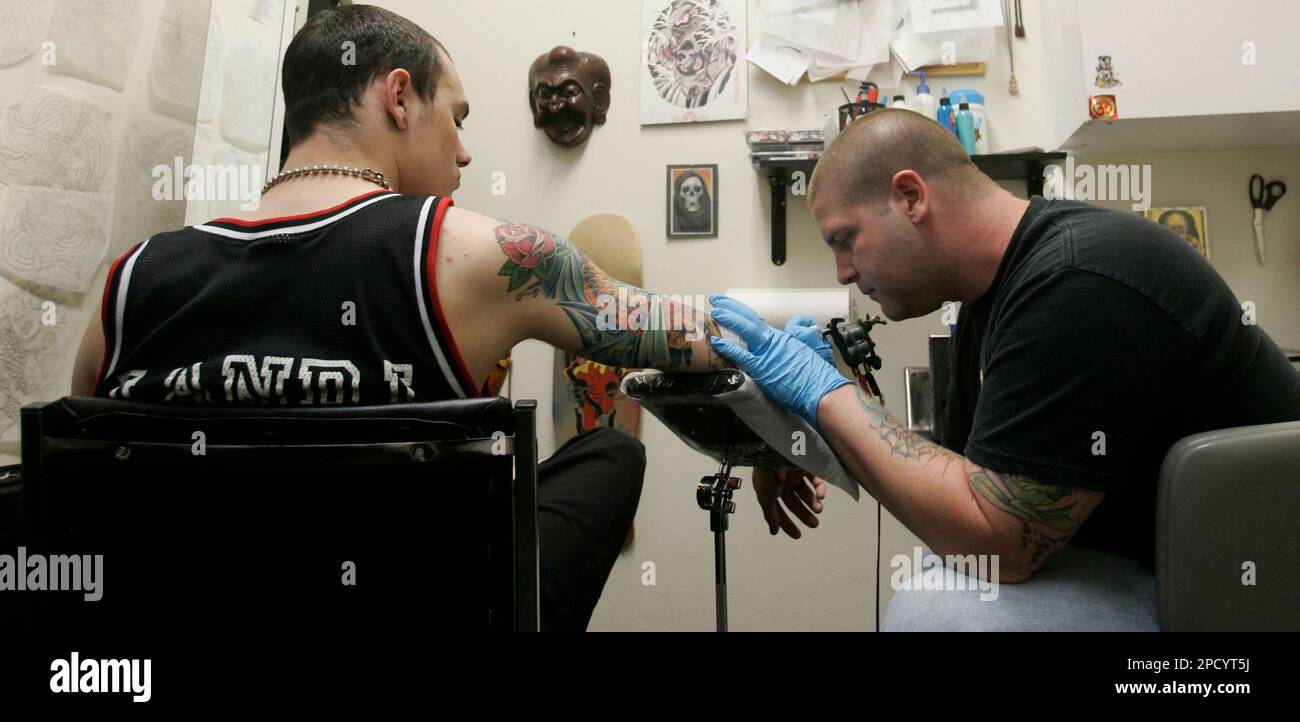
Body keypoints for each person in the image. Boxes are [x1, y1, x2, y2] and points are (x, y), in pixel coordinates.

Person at [69, 4, 723, 631]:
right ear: (400, 97)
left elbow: (80, 493)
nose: (464, 152)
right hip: (420, 612)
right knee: (609, 451)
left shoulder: (129, 281)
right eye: (457, 118)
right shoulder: (474, 253)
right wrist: (793, 411)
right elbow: (691, 335)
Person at [709, 108, 1300, 630]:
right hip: (1152, 564)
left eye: (846, 239)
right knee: (942, 577)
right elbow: (963, 486)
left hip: (1249, 596)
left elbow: (999, 543)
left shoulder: (1080, 281)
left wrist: (824, 394)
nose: (841, 271)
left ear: (911, 196)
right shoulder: (989, 301)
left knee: (943, 614)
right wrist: (806, 436)